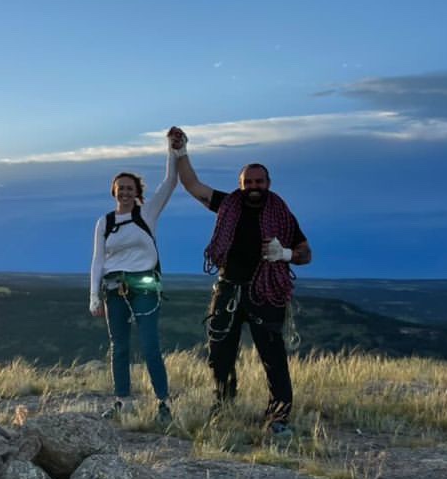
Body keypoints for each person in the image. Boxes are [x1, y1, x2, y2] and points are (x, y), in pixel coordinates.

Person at [167, 126, 312, 436]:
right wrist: (179, 150)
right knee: (219, 353)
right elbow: (191, 185)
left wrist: (284, 254)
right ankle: (223, 404)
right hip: (228, 288)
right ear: (240, 184)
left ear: (269, 183)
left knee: (273, 357)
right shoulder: (228, 204)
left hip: (266, 295)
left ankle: (279, 416)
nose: (254, 187)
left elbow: (306, 253)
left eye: (259, 181)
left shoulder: (283, 215)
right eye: (248, 182)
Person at [89, 138, 178, 424]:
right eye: (121, 188)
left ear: (137, 192)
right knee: (120, 347)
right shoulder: (105, 222)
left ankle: (163, 403)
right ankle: (121, 401)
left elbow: (170, 182)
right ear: (114, 191)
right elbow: (98, 260)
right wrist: (93, 296)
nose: (125, 192)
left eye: (130, 188)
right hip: (114, 290)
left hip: (144, 288)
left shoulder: (146, 214)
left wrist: (174, 151)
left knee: (150, 344)